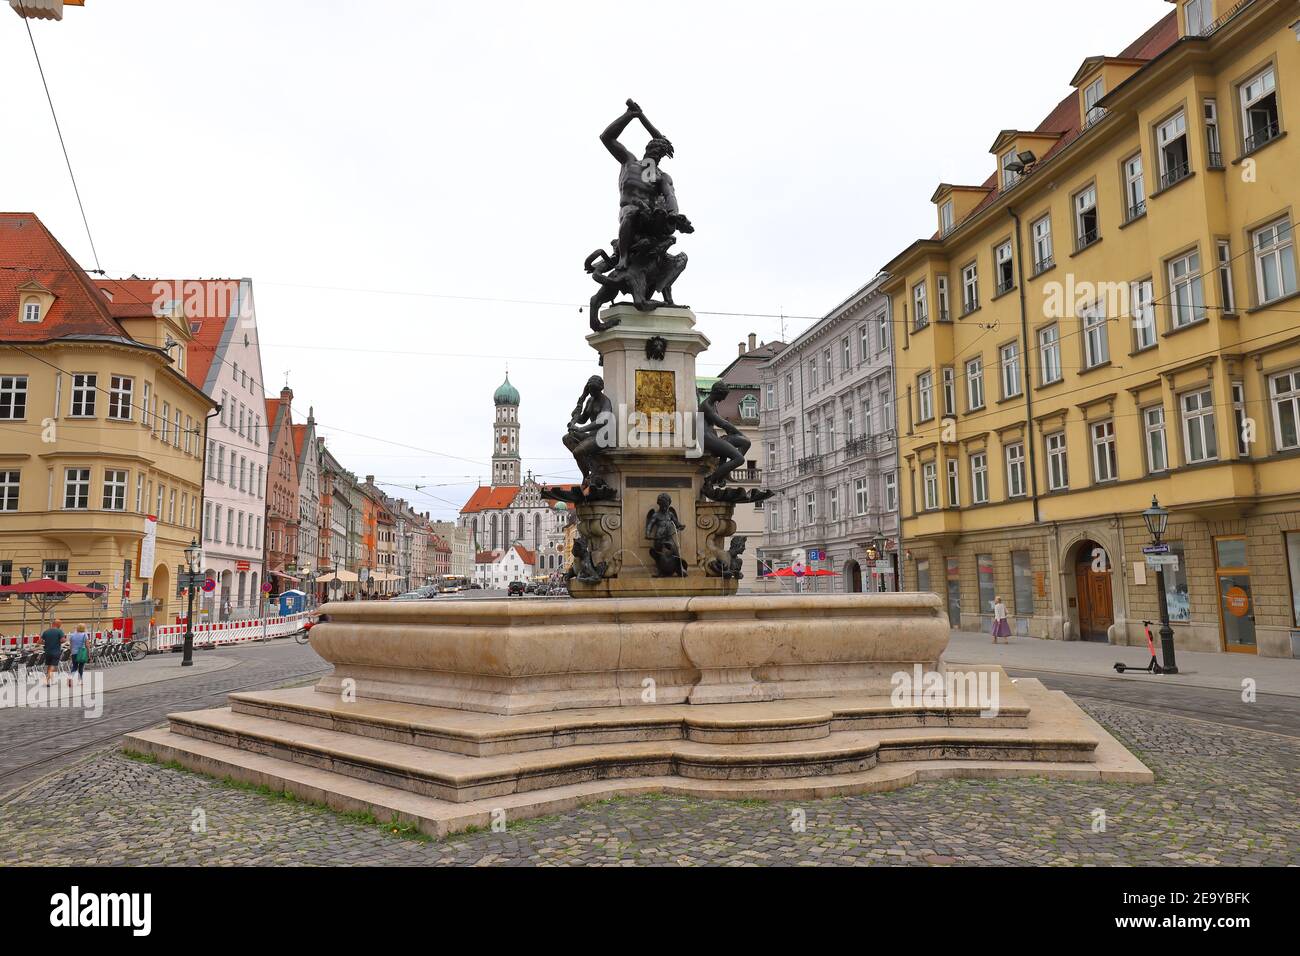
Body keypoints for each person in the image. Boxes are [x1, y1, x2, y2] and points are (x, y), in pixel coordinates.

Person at [40, 618, 66, 685]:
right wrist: (61, 641)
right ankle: (47, 679)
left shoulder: (46, 632)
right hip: (55, 651)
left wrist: (47, 643)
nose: (60, 625)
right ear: (57, 624)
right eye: (60, 624)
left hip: (47, 651)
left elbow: (39, 641)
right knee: (53, 665)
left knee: (49, 665)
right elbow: (63, 640)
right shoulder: (59, 631)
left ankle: (50, 681)